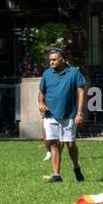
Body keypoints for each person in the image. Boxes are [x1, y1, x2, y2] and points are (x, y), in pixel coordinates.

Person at [37, 47, 87, 183]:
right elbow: (41, 91)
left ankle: (76, 166)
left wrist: (80, 113)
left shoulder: (74, 72)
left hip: (69, 114)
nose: (51, 62)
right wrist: (41, 103)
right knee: (54, 143)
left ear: (62, 59)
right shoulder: (47, 74)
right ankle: (56, 175)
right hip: (50, 114)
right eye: (50, 60)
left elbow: (81, 92)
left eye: (54, 59)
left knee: (70, 144)